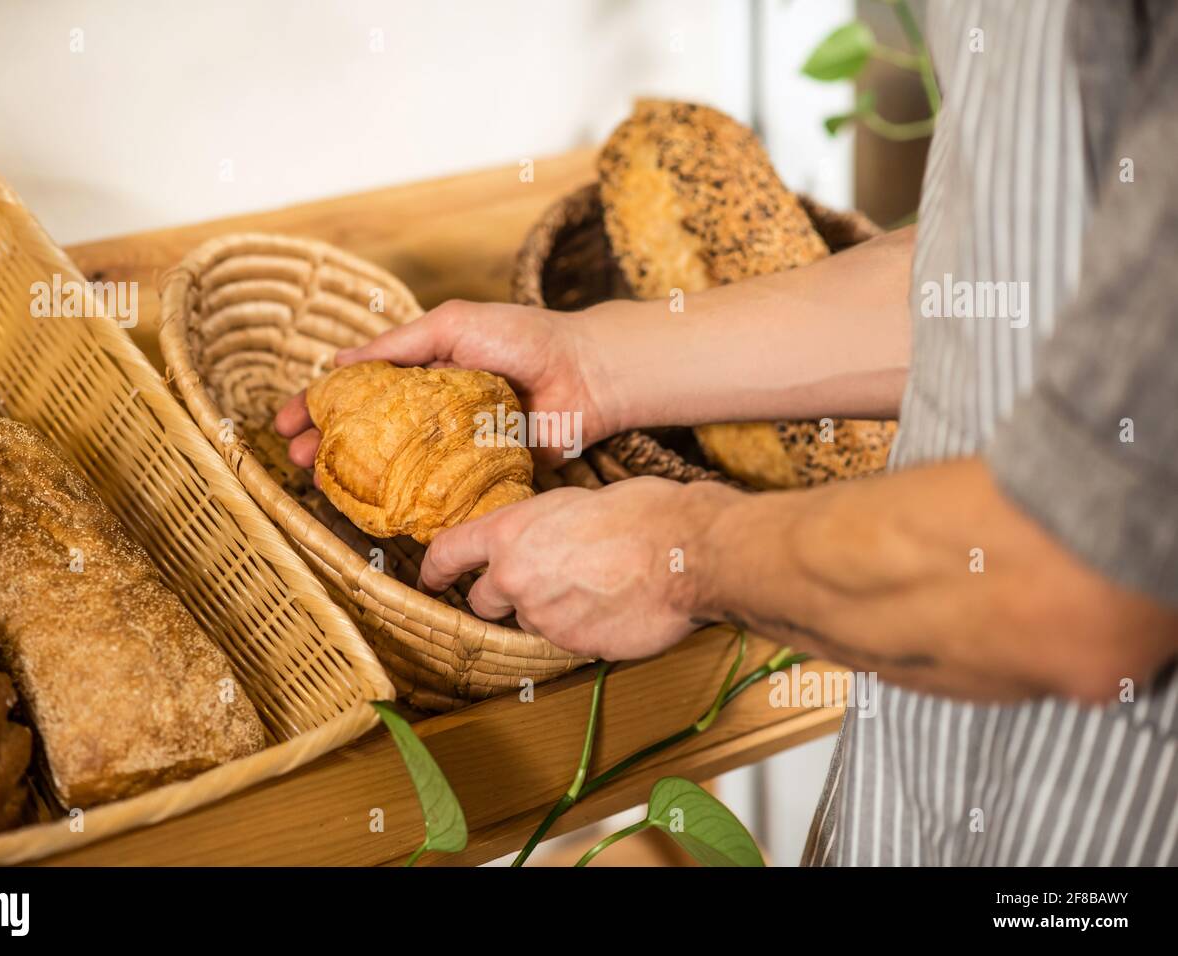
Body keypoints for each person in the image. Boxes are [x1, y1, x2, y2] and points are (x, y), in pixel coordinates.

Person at [276, 1, 1178, 866]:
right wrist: (592, 363)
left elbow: (1079, 577)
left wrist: (683, 555)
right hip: (922, 781)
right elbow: (1010, 275)